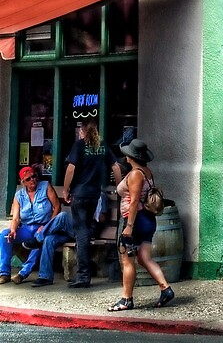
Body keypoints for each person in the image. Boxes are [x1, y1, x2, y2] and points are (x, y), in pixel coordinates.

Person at [107, 137, 174, 312]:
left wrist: (129, 226)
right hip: (147, 220)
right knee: (144, 258)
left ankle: (126, 299)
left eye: (127, 154)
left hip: (135, 220)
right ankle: (165, 288)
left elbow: (135, 200)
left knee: (127, 260)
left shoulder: (136, 174)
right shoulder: (147, 171)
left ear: (131, 156)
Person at [63, 122, 121, 288]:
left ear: (82, 131)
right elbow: (116, 167)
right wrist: (119, 187)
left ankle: (83, 276)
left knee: (81, 234)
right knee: (85, 232)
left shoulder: (79, 145)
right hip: (94, 195)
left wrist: (66, 189)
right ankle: (85, 272)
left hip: (79, 195)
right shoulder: (101, 146)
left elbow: (70, 169)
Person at [32, 192, 108, 287]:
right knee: (49, 239)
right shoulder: (80, 191)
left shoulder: (101, 196)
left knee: (63, 216)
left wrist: (89, 212)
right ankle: (45, 277)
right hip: (73, 228)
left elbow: (102, 219)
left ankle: (38, 238)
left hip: (87, 230)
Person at [0, 166, 60, 284]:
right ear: (23, 182)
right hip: (27, 228)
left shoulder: (45, 186)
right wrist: (13, 230)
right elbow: (16, 217)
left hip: (43, 226)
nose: (32, 180)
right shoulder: (19, 195)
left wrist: (48, 225)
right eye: (28, 179)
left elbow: (57, 206)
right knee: (4, 235)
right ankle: (4, 273)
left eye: (34, 176)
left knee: (40, 237)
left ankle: (23, 273)